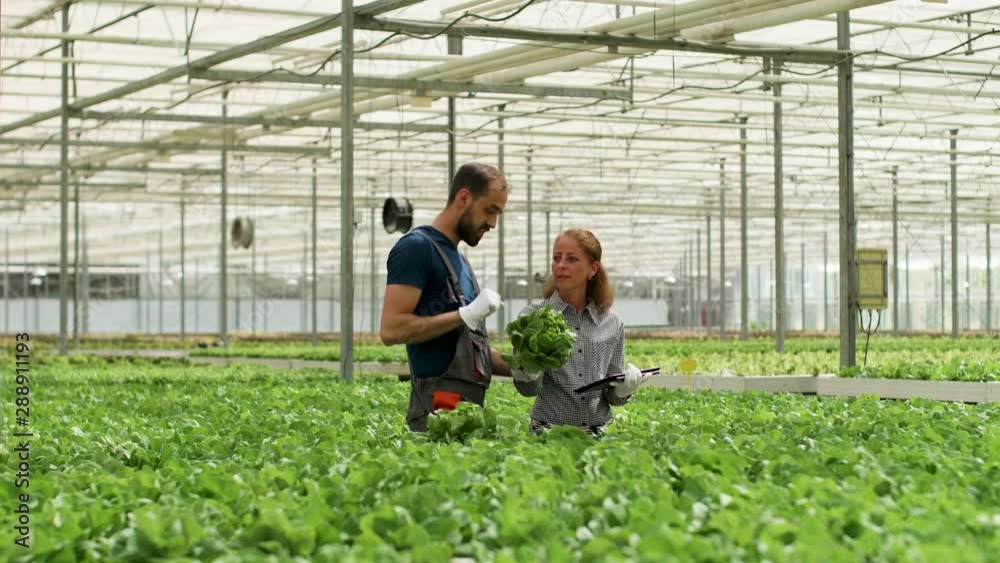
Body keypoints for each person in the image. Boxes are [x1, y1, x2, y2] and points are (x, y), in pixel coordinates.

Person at [380, 163, 512, 432]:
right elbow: (391, 330)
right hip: (434, 408)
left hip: (468, 407)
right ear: (464, 198)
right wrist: (464, 314)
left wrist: (520, 366)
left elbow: (469, 349)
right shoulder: (417, 248)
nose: (492, 223)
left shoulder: (460, 263)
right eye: (490, 210)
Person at [510, 229, 643, 435]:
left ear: (593, 269)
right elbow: (527, 390)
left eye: (572, 259)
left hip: (598, 433)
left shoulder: (612, 323)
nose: (561, 265)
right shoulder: (533, 318)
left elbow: (612, 398)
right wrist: (527, 370)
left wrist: (624, 389)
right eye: (556, 258)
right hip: (547, 431)